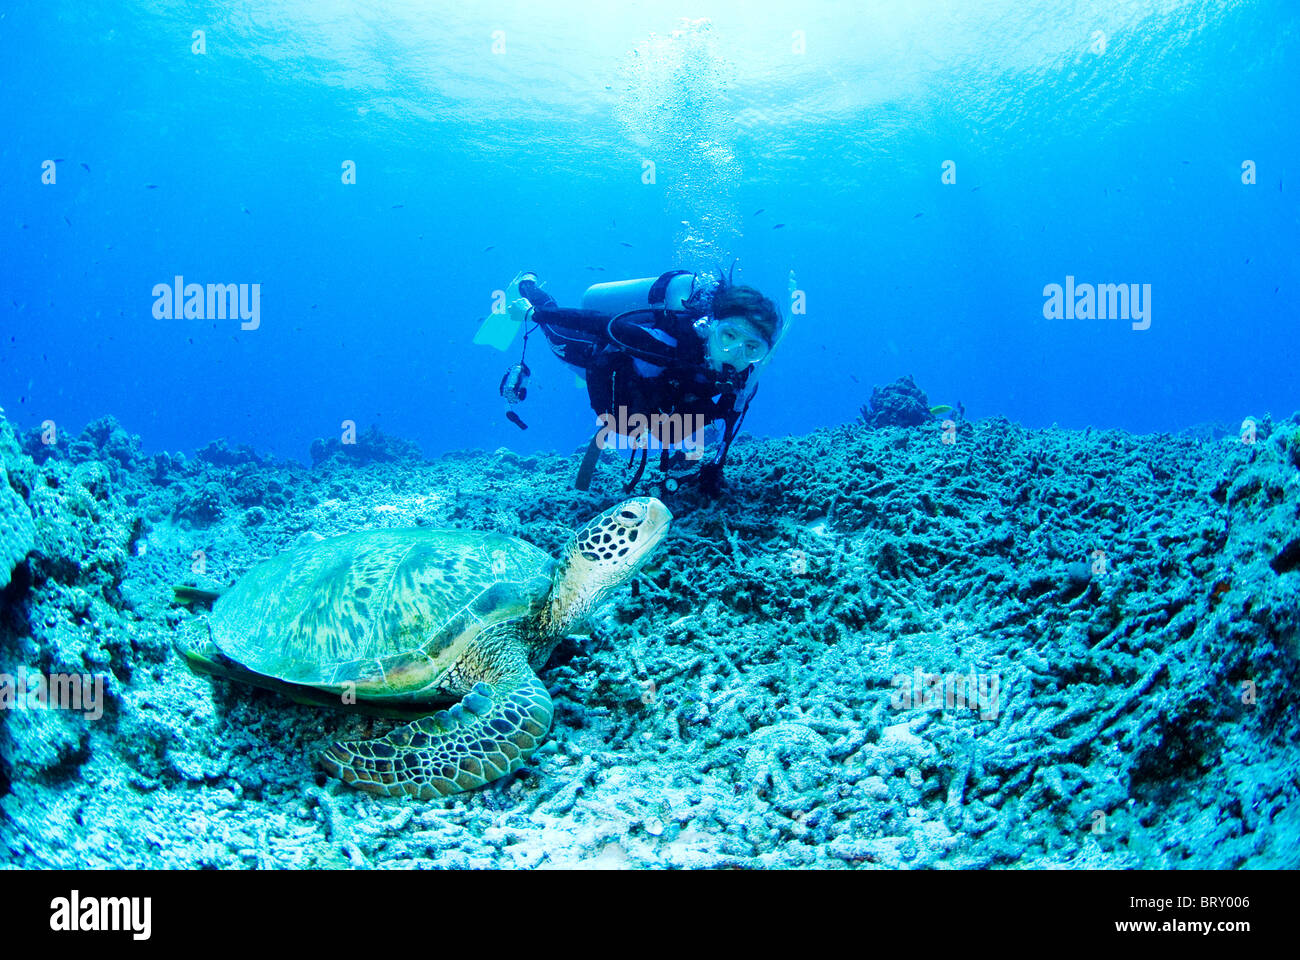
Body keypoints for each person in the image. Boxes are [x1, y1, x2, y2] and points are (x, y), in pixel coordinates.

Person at [499, 268, 783, 495]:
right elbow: (603, 324)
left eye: (752, 348)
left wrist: (713, 470)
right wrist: (534, 314)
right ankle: (528, 290)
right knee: (557, 336)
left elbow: (730, 423)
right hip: (601, 357)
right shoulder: (665, 345)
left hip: (647, 396)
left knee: (678, 426)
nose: (736, 354)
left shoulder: (745, 377)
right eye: (729, 337)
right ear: (711, 328)